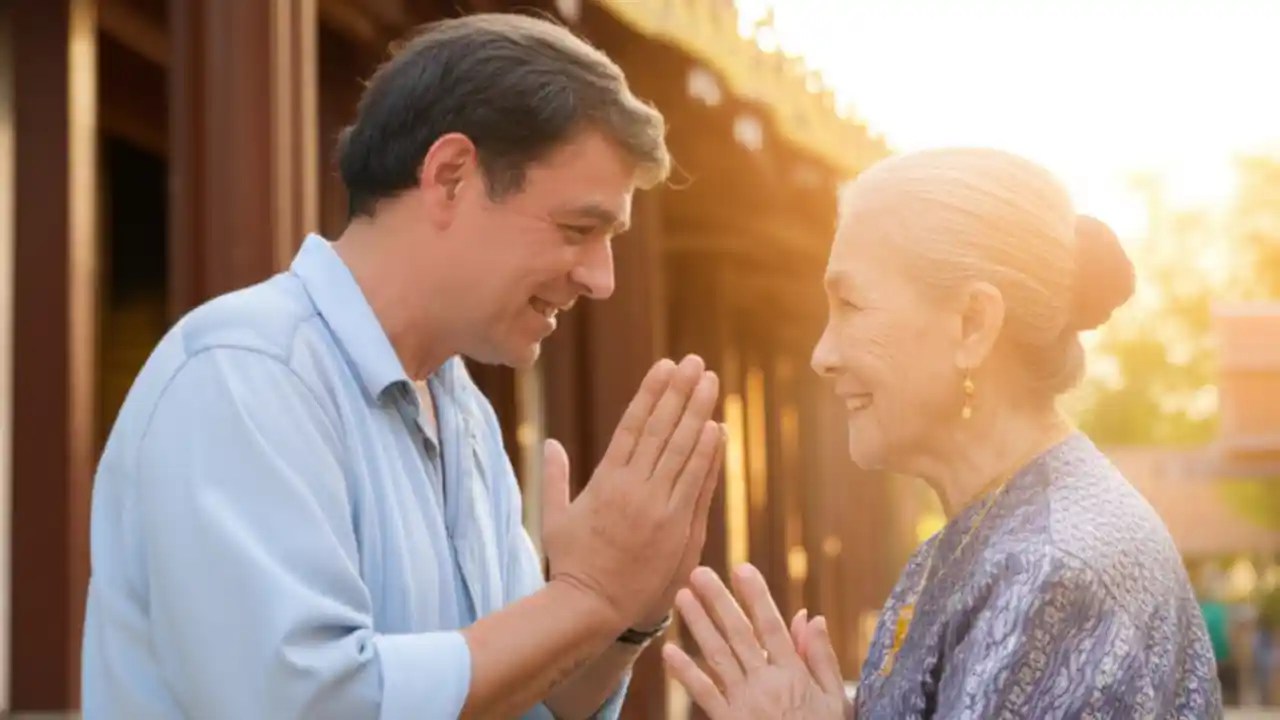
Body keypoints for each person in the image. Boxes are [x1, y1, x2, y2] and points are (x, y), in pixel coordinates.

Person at [81, 13, 727, 719]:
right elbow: (311, 705)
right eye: (578, 229)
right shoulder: (245, 375)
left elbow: (521, 702)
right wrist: (587, 596)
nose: (602, 279)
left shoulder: (468, 419)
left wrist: (623, 613)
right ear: (450, 176)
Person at [661, 148, 1223, 718]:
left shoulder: (1052, 570)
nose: (822, 355)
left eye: (850, 305)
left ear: (973, 324)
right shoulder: (990, 533)